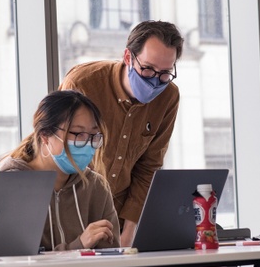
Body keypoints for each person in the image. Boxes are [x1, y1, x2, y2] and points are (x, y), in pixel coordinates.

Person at [0, 89, 151, 267]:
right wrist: (79, 245)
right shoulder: (12, 183)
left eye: (94, 135)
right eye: (78, 134)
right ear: (45, 136)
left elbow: (110, 262)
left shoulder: (95, 186)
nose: (88, 143)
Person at [59, 20, 183, 247]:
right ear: (128, 57)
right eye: (147, 69)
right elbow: (59, 152)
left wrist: (129, 228)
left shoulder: (168, 98)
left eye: (165, 73)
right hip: (76, 211)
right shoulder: (84, 83)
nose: (155, 80)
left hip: (119, 215)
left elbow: (149, 167)